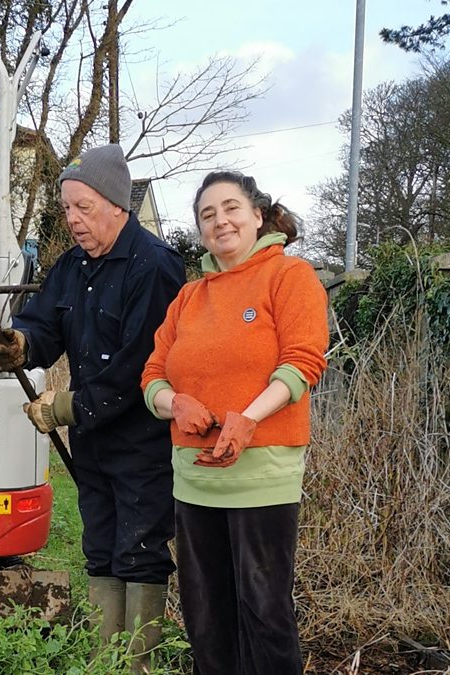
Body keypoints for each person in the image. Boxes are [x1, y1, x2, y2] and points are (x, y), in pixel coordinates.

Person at [0, 144, 185, 668]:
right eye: (68, 208)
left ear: (118, 205)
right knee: (100, 548)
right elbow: (44, 323)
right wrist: (21, 343)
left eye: (84, 207)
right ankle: (105, 661)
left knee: (139, 551)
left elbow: (140, 362)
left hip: (143, 440)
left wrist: (66, 407)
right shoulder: (72, 266)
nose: (73, 219)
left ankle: (136, 665)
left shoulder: (155, 267)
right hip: (95, 440)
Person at [141, 171, 329, 675]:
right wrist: (175, 402)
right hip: (194, 479)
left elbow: (303, 363)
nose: (220, 221)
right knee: (205, 615)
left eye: (230, 208)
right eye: (207, 214)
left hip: (261, 477)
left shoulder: (289, 277)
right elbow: (153, 374)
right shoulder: (188, 298)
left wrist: (247, 418)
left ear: (257, 215)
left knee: (264, 611)